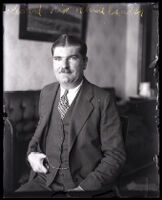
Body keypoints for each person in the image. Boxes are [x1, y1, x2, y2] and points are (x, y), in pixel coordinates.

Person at [16, 34, 126, 197]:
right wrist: (31, 155)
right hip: (44, 182)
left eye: (72, 58)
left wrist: (83, 189)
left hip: (83, 186)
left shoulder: (103, 99)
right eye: (58, 58)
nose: (63, 66)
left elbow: (115, 156)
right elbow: (37, 136)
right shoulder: (46, 93)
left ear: (85, 62)